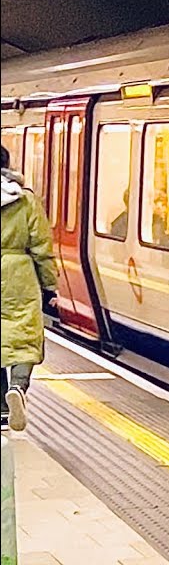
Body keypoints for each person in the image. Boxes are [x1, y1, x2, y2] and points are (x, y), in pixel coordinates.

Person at [1, 145, 58, 432]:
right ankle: (17, 388)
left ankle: (1, 408)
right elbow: (41, 247)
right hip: (18, 274)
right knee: (24, 336)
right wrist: (50, 286)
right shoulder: (25, 200)